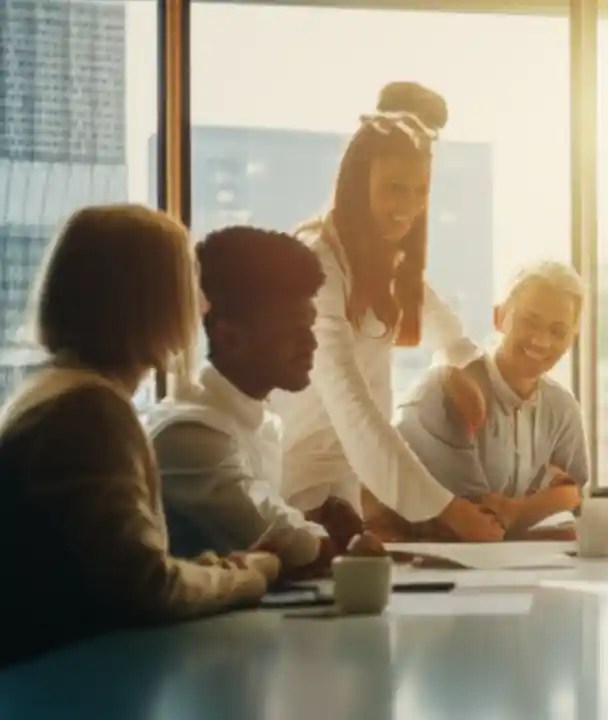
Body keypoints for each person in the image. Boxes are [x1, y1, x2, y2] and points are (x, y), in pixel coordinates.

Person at [0, 205, 277, 664]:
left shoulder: (55, 395)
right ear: (151, 300)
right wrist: (249, 577)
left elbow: (114, 566)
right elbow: (144, 587)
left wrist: (211, 571)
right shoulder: (90, 412)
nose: (204, 305)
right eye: (191, 285)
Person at [270, 82, 503, 541]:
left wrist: (485, 388)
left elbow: (451, 336)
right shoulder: (317, 259)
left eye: (419, 191)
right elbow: (349, 402)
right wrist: (449, 511)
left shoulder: (385, 260)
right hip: (299, 492)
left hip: (354, 481)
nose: (409, 207)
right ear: (358, 184)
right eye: (395, 188)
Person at [148, 226, 361, 577]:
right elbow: (289, 545)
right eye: (293, 332)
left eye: (310, 328)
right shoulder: (189, 434)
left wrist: (314, 522)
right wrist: (326, 538)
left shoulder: (261, 423)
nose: (311, 344)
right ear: (230, 337)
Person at [385, 261, 589, 539]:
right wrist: (544, 511)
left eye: (558, 332)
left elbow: (575, 494)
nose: (542, 341)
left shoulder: (562, 407)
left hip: (500, 565)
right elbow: (480, 524)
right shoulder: (447, 393)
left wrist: (519, 510)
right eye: (529, 322)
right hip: (420, 564)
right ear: (499, 317)